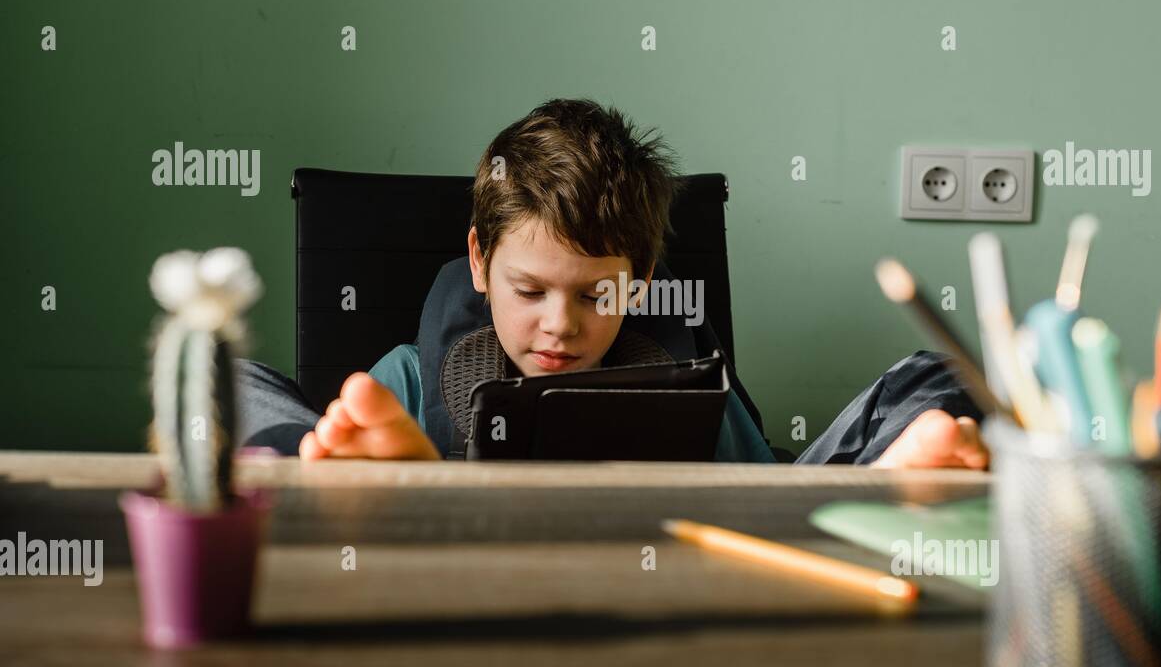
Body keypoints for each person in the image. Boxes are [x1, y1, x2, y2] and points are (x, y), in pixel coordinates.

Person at [236, 99, 988, 470]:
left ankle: (867, 491)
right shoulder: (409, 375)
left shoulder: (683, 379)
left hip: (678, 554)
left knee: (938, 374)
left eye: (596, 294)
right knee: (230, 379)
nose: (560, 325)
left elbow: (766, 496)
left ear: (641, 284)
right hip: (459, 551)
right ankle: (397, 484)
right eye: (529, 291)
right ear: (478, 261)